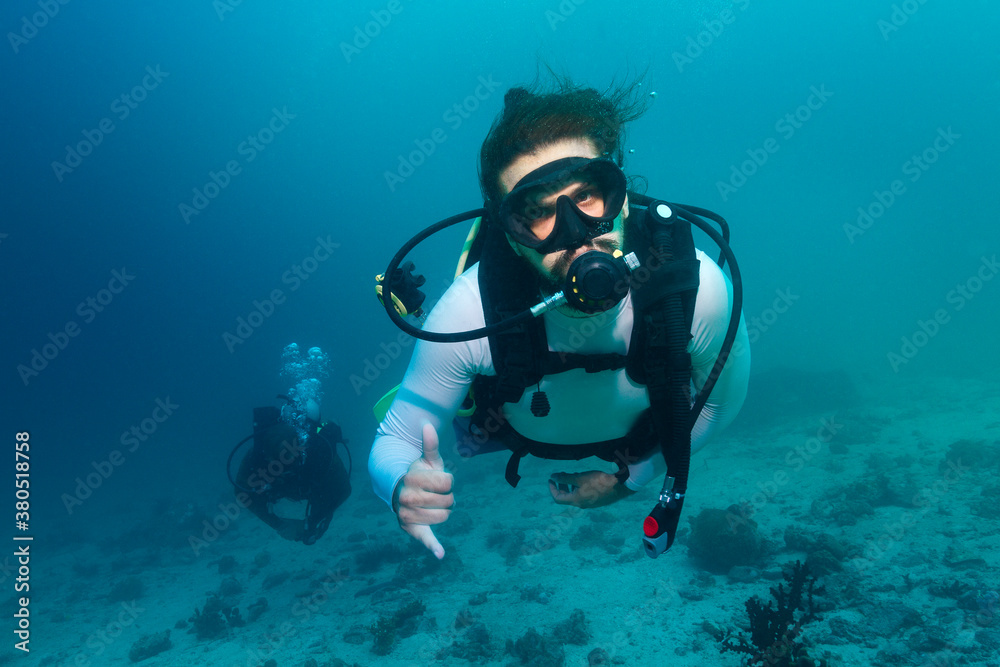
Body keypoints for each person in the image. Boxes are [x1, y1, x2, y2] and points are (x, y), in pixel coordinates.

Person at [369, 76, 751, 560]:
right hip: (508, 425)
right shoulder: (469, 311)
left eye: (588, 194)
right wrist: (401, 484)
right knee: (466, 412)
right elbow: (397, 438)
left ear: (624, 197)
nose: (574, 235)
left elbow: (718, 407)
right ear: (509, 234)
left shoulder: (696, 292)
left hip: (631, 442)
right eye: (537, 211)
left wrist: (629, 478)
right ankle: (458, 388)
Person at [229, 344, 352, 545]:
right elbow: (242, 492)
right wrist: (278, 524)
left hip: (311, 487)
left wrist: (313, 522)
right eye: (279, 457)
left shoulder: (319, 453)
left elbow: (342, 490)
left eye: (291, 455)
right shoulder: (258, 455)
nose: (285, 461)